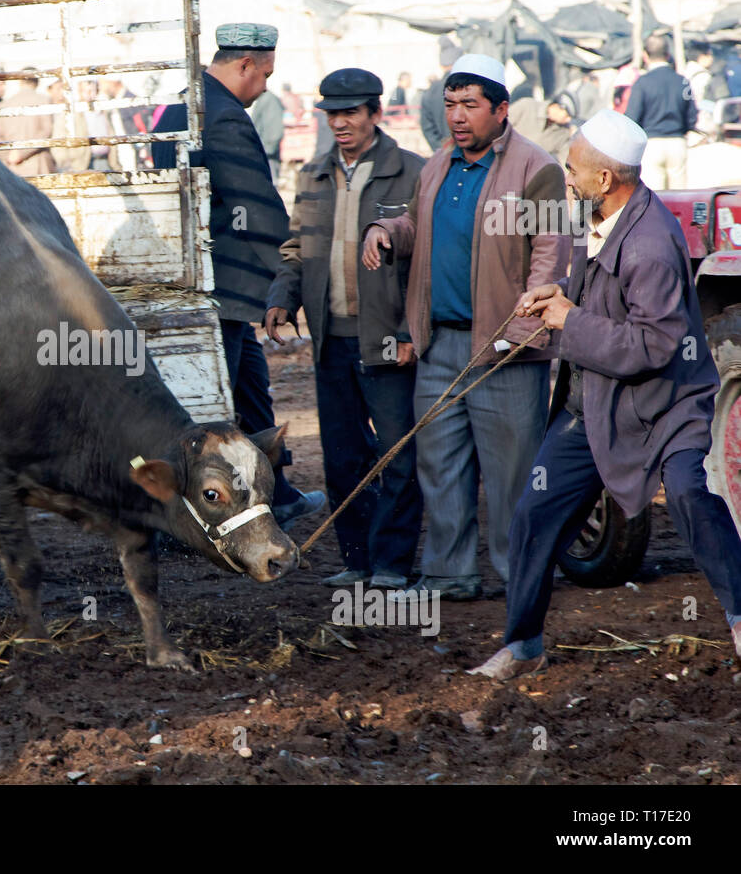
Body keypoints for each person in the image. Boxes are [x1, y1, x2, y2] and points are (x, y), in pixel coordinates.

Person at [470, 109, 741, 679]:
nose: (564, 178)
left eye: (572, 170)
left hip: (666, 404)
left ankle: (740, 617)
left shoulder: (650, 243)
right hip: (595, 400)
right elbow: (596, 297)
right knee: (534, 512)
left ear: (605, 180)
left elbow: (653, 345)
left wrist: (568, 321)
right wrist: (556, 294)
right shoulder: (596, 215)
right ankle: (523, 645)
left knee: (692, 495)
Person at [361, 53, 570, 600]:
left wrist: (527, 330)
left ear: (501, 109)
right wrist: (388, 230)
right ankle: (449, 575)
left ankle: (518, 573)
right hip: (440, 344)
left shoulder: (536, 168)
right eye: (450, 104)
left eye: (470, 105)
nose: (457, 115)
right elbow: (417, 224)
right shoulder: (437, 166)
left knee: (510, 473)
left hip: (504, 347)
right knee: (440, 466)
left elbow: (551, 254)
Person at [152, 23, 325, 528]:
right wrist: (291, 275)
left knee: (251, 388)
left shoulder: (175, 106)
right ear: (244, 65)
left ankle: (283, 493)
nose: (266, 86)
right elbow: (258, 206)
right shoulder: (224, 117)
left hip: (191, 281)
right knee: (215, 408)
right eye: (265, 74)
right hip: (225, 287)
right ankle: (183, 519)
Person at [264, 68, 425, 588]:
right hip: (330, 338)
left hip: (386, 337)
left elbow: (425, 264)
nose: (341, 122)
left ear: (375, 115)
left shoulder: (414, 173)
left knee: (398, 454)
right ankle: (357, 562)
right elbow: (296, 250)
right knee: (342, 457)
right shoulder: (312, 176)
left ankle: (393, 565)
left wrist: (407, 332)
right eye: (333, 113)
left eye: (351, 112)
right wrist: (280, 301)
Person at [623, 34, 696, 189]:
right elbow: (692, 118)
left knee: (655, 198)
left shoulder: (642, 83)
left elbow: (631, 119)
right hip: (677, 143)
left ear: (645, 55)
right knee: (679, 199)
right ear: (668, 55)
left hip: (652, 144)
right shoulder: (682, 81)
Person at [0, 72, 56, 177]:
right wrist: (22, 152)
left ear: (20, 82)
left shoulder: (4, 104)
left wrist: (9, 156)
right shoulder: (44, 100)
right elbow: (47, 131)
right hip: (39, 165)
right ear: (37, 83)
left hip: (12, 167)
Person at [508, 89, 577, 162]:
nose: (568, 120)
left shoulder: (563, 133)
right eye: (567, 116)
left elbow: (566, 161)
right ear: (558, 107)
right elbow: (500, 124)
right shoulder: (527, 106)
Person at [420, 41, 460, 153]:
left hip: (444, 152)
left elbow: (427, 127)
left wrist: (442, 150)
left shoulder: (431, 91)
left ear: (442, 66)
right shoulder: (472, 87)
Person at [250, 89, 286, 183]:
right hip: (263, 152)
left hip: (268, 154)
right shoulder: (262, 99)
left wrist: (266, 151)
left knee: (270, 184)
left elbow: (275, 131)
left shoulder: (269, 100)